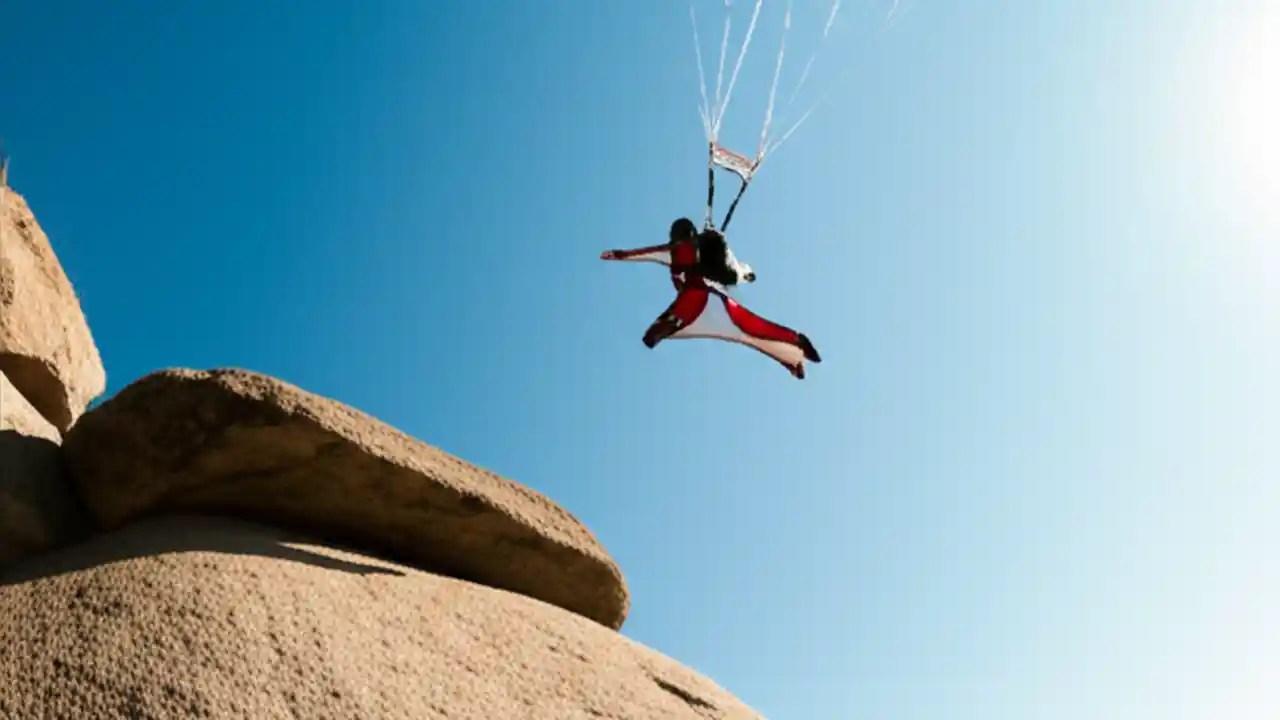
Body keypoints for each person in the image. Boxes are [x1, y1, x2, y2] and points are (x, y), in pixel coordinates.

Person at [599, 218, 820, 379]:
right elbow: (651, 252)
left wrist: (621, 255)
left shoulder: (683, 249)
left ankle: (794, 351)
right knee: (749, 329)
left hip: (695, 300)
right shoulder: (684, 249)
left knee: (748, 329)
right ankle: (793, 354)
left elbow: (650, 252)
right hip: (709, 303)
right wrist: (621, 255)